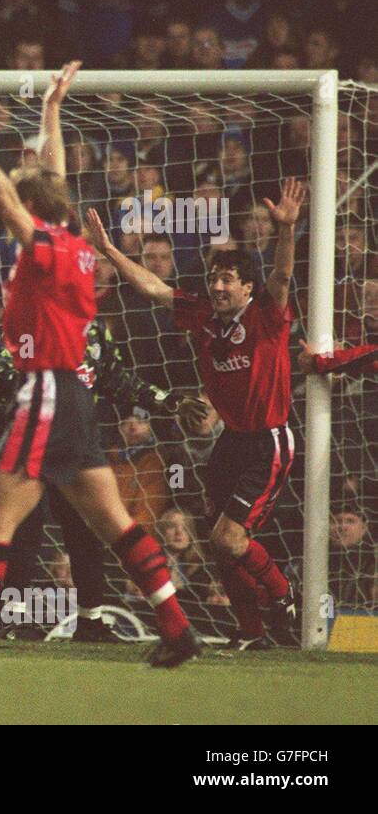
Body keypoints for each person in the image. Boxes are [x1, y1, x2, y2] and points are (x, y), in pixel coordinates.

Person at [0, 62, 198, 667]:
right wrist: (52, 108)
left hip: (43, 393)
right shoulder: (70, 240)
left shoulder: (40, 246)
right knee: (114, 523)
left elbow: (9, 202)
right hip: (76, 399)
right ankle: (177, 627)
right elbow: (52, 176)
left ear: (35, 208)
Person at [89, 176, 305, 650]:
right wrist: (109, 250)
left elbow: (283, 277)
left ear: (248, 285)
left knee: (230, 539)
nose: (218, 284)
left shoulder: (266, 313)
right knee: (218, 545)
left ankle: (285, 595)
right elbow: (151, 286)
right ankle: (252, 635)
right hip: (231, 441)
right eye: (214, 277)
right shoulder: (204, 313)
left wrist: (286, 230)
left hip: (269, 439)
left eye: (228, 278)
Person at [0, 317, 208, 642]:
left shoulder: (94, 330)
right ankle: (11, 619)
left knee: (88, 532)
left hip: (76, 447)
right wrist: (40, 371)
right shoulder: (25, 323)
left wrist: (166, 401)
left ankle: (91, 621)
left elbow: (118, 378)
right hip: (30, 443)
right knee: (23, 530)